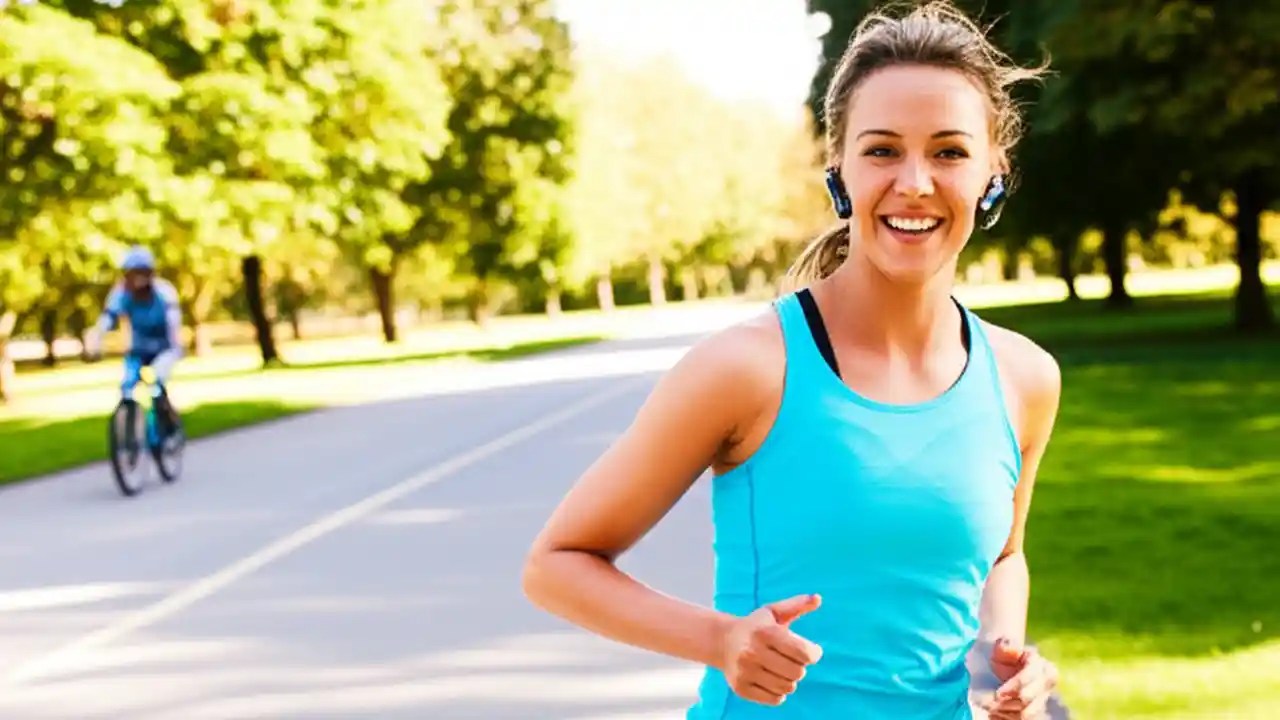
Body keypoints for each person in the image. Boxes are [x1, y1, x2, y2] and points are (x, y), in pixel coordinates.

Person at [521, 2, 1063, 719]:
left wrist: (1004, 655)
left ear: (993, 171)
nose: (914, 181)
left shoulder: (1024, 377)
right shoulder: (750, 367)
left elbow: (1001, 557)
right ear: (836, 164)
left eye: (948, 151)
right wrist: (720, 641)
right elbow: (557, 565)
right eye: (881, 150)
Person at [85, 245, 184, 434]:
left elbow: (174, 323)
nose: (136, 278)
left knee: (157, 382)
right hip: (138, 349)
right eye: (132, 273)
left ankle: (168, 420)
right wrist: (95, 342)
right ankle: (128, 438)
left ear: (150, 273)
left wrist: (176, 347)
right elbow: (107, 319)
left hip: (165, 348)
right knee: (126, 386)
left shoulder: (164, 292)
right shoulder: (121, 294)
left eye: (141, 272)